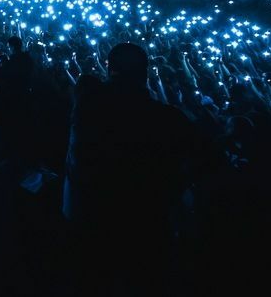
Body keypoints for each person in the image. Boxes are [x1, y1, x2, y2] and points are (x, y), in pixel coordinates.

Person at [62, 42, 200, 293]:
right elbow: (204, 165)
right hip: (148, 228)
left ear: (108, 70)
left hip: (93, 225)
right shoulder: (168, 119)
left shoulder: (86, 113)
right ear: (144, 73)